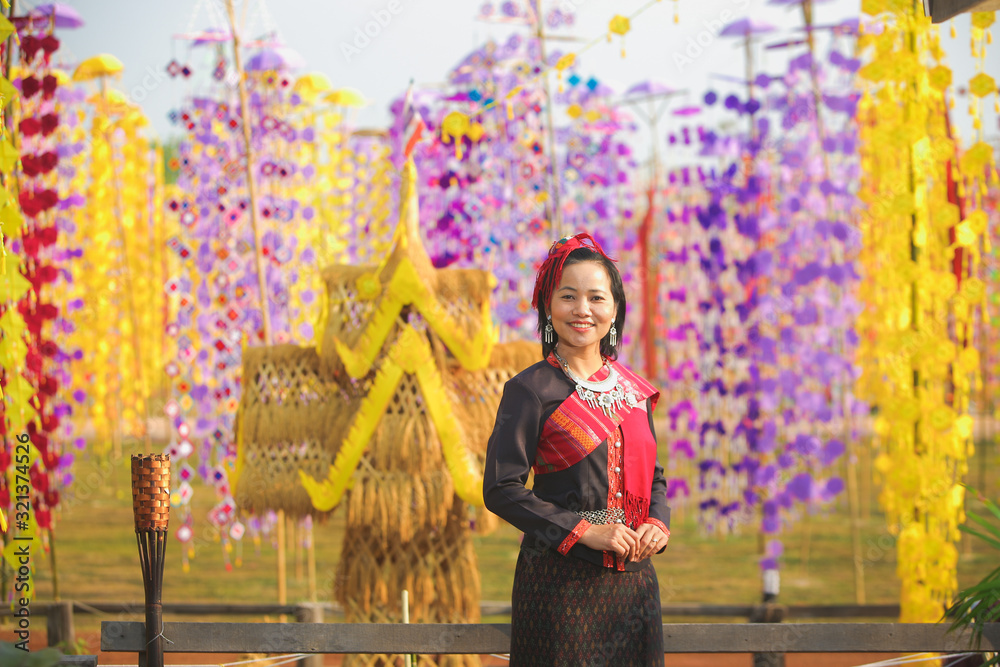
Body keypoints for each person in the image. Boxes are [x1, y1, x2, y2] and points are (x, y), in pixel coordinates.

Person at [484, 233, 671, 666]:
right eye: (568, 296)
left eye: (596, 297)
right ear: (549, 307)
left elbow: (654, 478)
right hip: (558, 586)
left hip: (634, 587)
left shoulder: (632, 391)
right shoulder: (529, 390)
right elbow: (501, 488)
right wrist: (585, 530)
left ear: (615, 309)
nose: (582, 310)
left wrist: (658, 526)